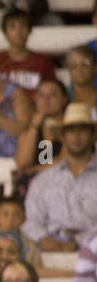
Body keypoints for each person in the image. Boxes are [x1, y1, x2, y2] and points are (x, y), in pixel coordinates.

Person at [21, 104, 97, 251]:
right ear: (62, 136)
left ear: (92, 134)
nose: (77, 135)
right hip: (49, 245)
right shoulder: (44, 179)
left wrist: (78, 241)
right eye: (70, 129)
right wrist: (44, 240)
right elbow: (32, 221)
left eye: (83, 129)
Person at [15, 77, 68, 178]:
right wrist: (35, 125)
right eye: (41, 95)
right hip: (34, 185)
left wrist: (33, 170)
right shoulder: (30, 129)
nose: (46, 99)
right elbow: (22, 163)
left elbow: (65, 160)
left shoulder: (70, 126)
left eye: (53, 95)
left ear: (64, 100)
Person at [0, 9, 54, 97]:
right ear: (5, 32)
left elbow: (50, 91)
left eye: (22, 26)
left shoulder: (43, 62)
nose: (18, 32)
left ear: (29, 30)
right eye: (12, 26)